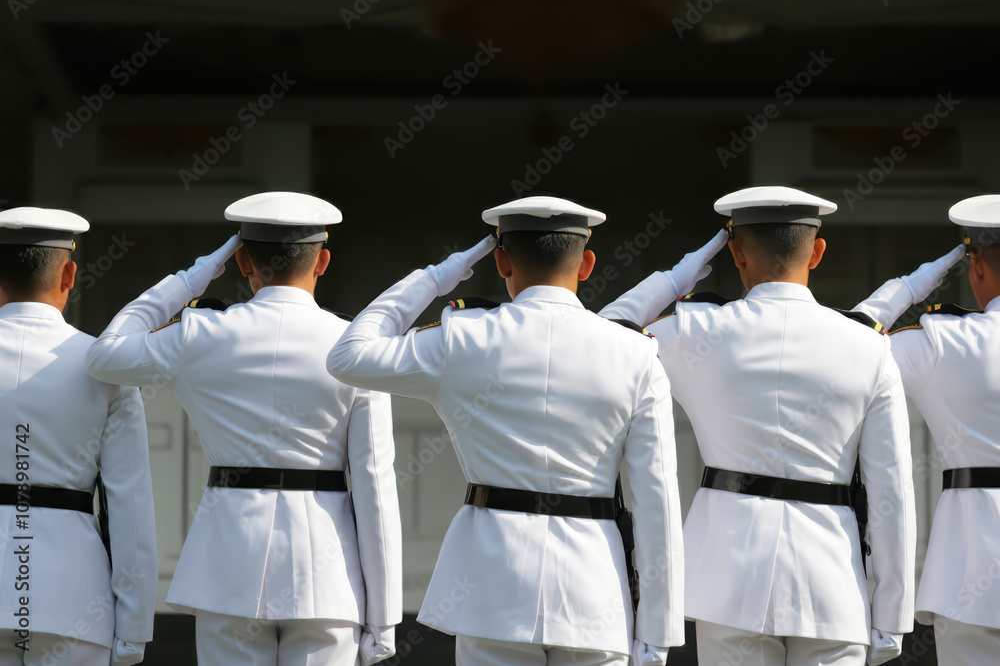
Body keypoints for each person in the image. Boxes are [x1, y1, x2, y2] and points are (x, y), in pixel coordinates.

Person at [327, 196, 685, 666]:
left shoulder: (462, 337)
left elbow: (348, 356)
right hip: (594, 594)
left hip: (490, 590)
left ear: (500, 260)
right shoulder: (635, 356)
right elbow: (657, 502)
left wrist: (435, 277)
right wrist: (657, 632)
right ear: (587, 264)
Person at [600, 186, 916, 666]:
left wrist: (676, 275)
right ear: (818, 251)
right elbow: (892, 490)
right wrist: (892, 610)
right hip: (831, 585)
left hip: (729, 580)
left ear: (736, 253)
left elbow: (608, 336)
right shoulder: (868, 347)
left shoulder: (696, 332)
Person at [84, 192, 401, 666]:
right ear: (324, 261)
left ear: (242, 260)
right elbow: (376, 486)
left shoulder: (200, 333)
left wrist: (194, 275)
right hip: (326, 573)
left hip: (226, 566)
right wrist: (384, 617)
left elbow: (105, 354)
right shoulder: (354, 346)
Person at [0, 207, 157, 666]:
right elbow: (129, 503)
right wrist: (134, 626)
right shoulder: (103, 365)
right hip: (73, 601)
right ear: (69, 273)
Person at [853, 194, 1000, 665]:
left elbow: (848, 349)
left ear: (975, 266)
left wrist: (908, 288)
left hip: (972, 572)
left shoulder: (945, 342)